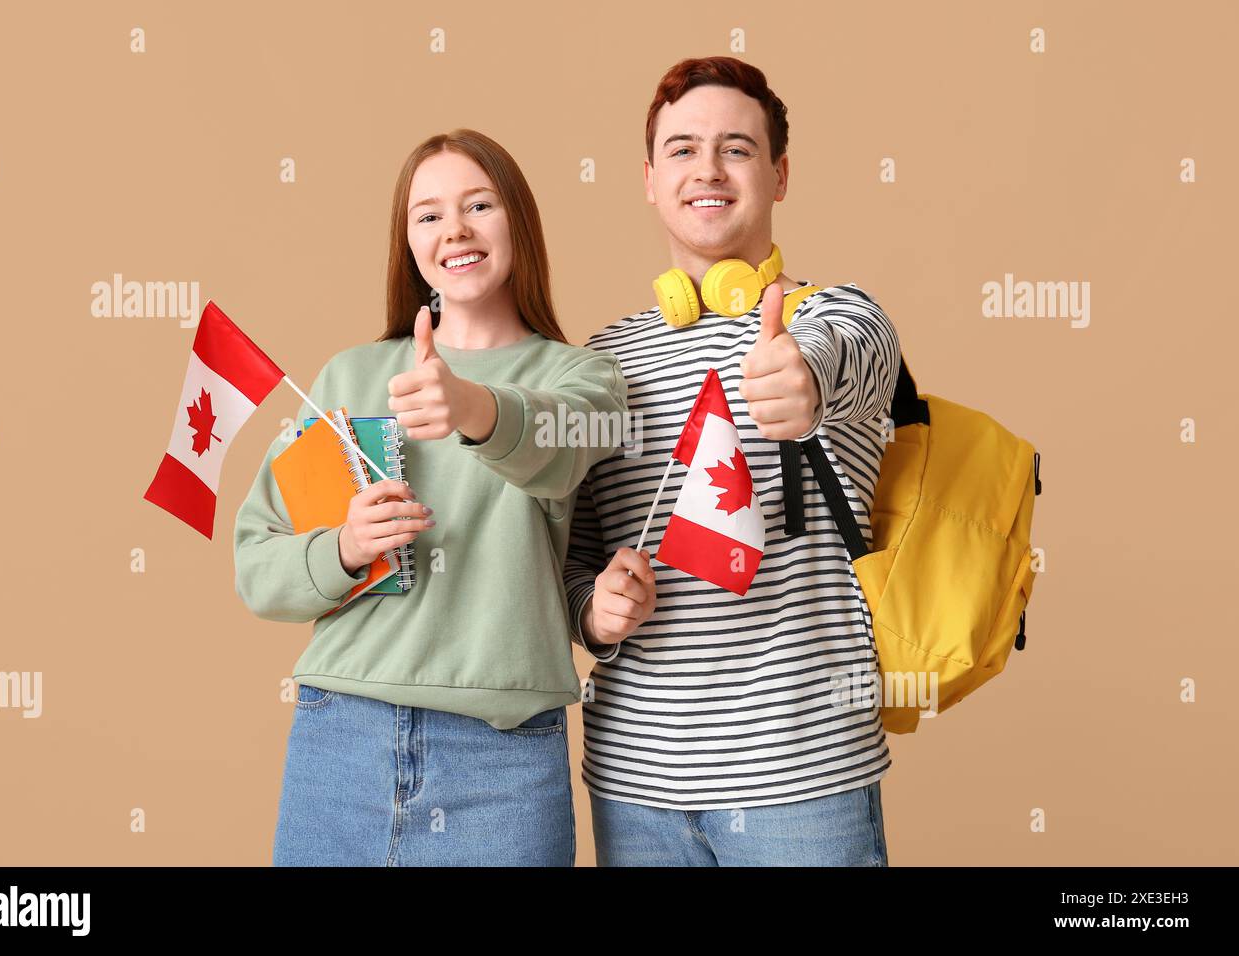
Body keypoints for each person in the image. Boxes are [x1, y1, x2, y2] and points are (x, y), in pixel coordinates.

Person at [234, 129, 628, 866]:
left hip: (502, 759)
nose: (455, 230)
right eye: (428, 215)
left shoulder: (587, 380)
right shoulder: (348, 377)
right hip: (339, 743)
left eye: (479, 204)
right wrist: (346, 548)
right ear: (407, 241)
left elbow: (561, 444)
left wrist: (469, 404)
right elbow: (258, 565)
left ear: (519, 220)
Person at [564, 57, 900, 866]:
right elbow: (573, 556)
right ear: (650, 179)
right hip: (634, 785)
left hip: (803, 780)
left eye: (737, 149)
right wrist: (591, 609)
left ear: (779, 175)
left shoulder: (836, 314)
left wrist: (802, 381)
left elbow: (843, 357)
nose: (707, 170)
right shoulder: (599, 364)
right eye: (682, 150)